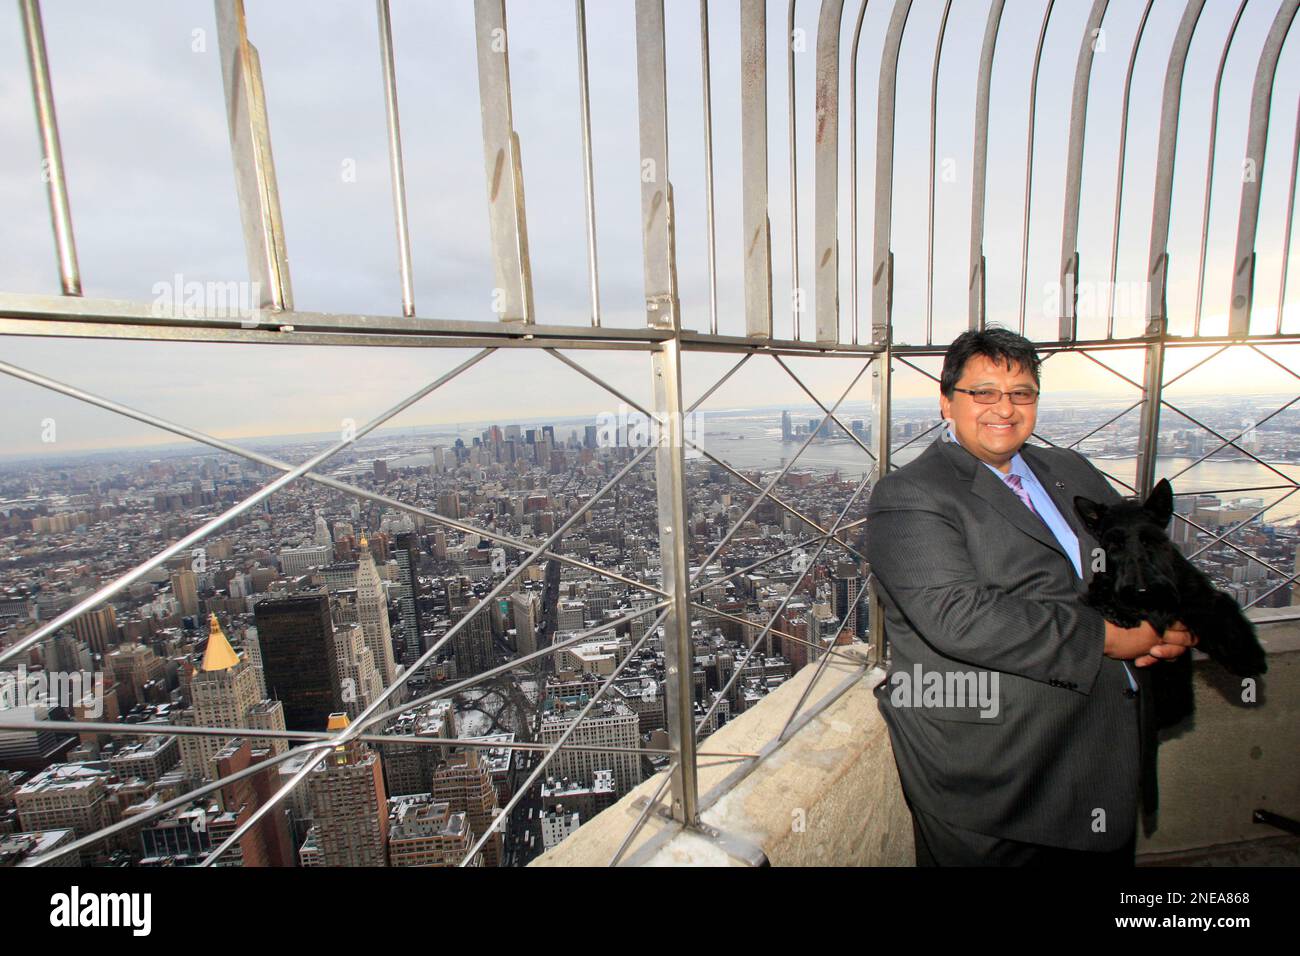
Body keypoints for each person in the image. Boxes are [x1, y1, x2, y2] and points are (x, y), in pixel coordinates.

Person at [865, 327, 1197, 866]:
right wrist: (1113, 640)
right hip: (1001, 777)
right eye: (985, 392)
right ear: (947, 401)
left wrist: (1165, 622)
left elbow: (1137, 552)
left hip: (1102, 754)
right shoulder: (910, 493)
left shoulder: (1068, 469)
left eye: (1022, 393)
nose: (1006, 408)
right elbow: (957, 617)